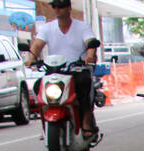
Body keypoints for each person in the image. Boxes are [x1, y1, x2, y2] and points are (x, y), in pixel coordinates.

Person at [29, 0, 99, 142]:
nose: (57, 9)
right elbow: (37, 45)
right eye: (54, 6)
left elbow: (90, 43)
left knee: (84, 83)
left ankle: (86, 121)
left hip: (77, 69)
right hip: (55, 70)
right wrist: (31, 58)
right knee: (38, 86)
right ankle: (45, 125)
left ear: (69, 8)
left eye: (61, 6)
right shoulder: (47, 28)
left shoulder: (82, 27)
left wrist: (90, 55)